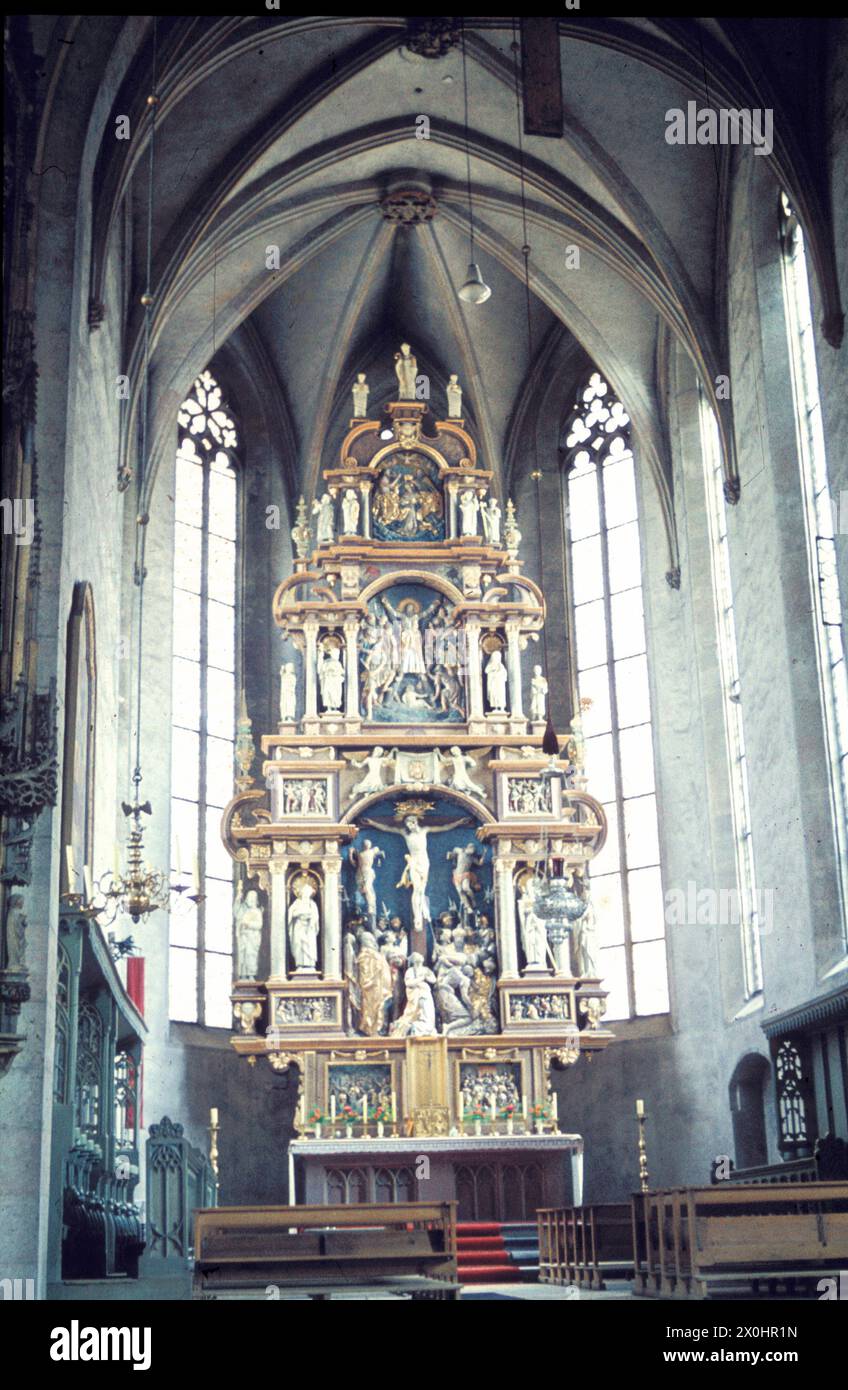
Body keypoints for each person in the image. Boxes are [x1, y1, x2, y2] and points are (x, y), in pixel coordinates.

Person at [391, 954, 437, 1036]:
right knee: (415, 1011)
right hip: (416, 994)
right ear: (413, 961)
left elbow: (433, 980)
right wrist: (421, 979)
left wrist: (427, 977)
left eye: (420, 957)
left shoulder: (426, 969)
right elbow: (408, 983)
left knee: (428, 1010)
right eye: (417, 958)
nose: (419, 959)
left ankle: (426, 1026)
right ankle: (417, 1025)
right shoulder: (410, 971)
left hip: (425, 992)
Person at [288, 879, 320, 970]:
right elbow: (291, 914)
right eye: (305, 893)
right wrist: (298, 914)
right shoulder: (297, 903)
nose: (306, 895)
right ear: (301, 893)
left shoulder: (312, 904)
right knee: (298, 945)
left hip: (309, 928)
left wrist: (311, 919)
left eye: (308, 893)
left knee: (310, 946)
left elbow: (315, 916)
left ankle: (310, 965)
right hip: (299, 927)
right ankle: (300, 965)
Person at [234, 881, 263, 979]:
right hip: (244, 937)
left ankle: (251, 975)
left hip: (253, 938)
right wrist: (238, 896)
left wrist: (248, 924)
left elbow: (259, 925)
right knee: (243, 956)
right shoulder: (243, 910)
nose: (250, 900)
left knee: (251, 955)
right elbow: (236, 912)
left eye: (253, 898)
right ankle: (243, 975)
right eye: (249, 897)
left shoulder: (257, 911)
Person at [319, 646, 344, 711]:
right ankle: (329, 708)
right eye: (336, 654)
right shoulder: (326, 662)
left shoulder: (338, 663)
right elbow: (321, 671)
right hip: (328, 681)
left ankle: (335, 708)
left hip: (336, 682)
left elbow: (342, 672)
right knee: (328, 693)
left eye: (338, 654)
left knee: (336, 694)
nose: (337, 656)